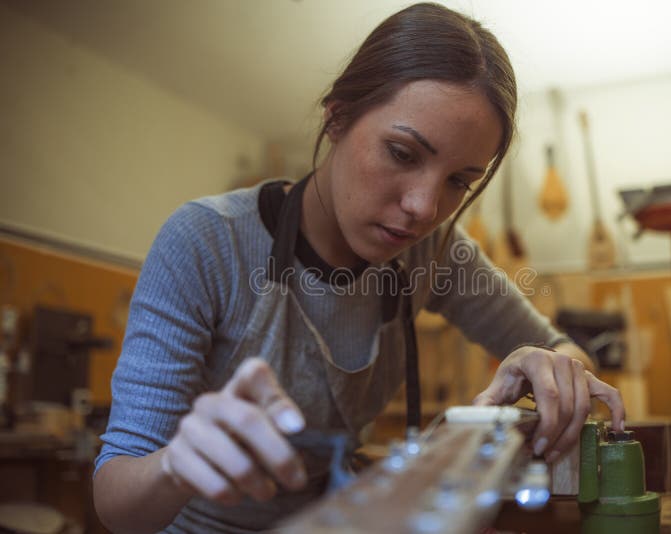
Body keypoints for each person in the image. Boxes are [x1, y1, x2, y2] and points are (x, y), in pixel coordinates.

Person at [93, 3, 625, 533]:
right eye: (402, 153)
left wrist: (550, 363)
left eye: (458, 181)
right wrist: (172, 465)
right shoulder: (205, 243)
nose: (424, 208)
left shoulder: (432, 255)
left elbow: (564, 351)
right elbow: (115, 503)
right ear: (338, 116)